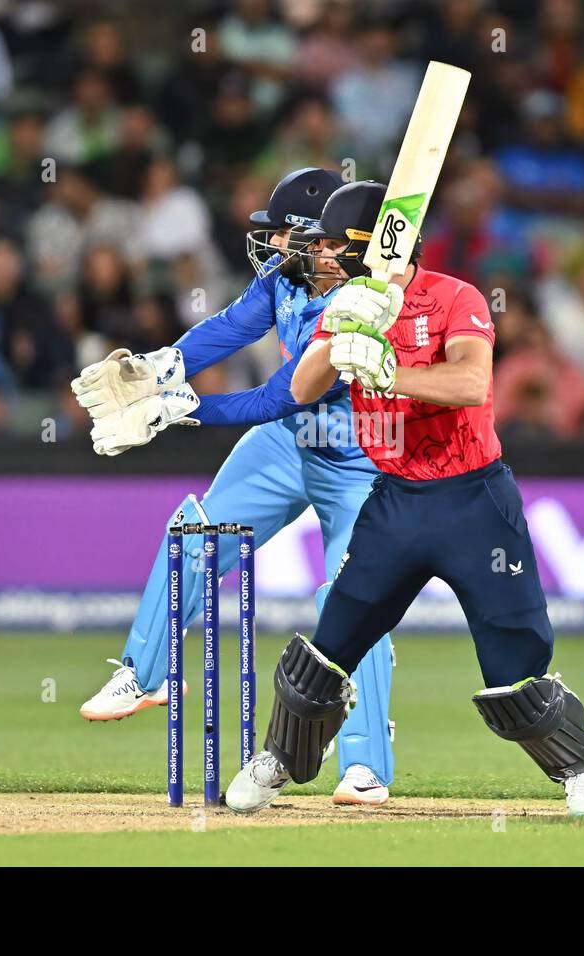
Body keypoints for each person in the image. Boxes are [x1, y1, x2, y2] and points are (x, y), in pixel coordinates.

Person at [221, 180, 584, 815]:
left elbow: (470, 381)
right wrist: (339, 337)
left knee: (514, 669)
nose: (316, 256)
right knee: (326, 651)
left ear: (361, 244)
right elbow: (299, 388)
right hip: (394, 501)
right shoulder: (347, 301)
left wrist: (386, 370)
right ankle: (279, 763)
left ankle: (579, 772)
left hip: (473, 503)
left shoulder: (453, 296)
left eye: (326, 245)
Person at [70, 169, 397, 806]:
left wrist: (180, 409)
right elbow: (229, 328)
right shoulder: (284, 278)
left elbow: (280, 396)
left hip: (361, 461)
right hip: (289, 446)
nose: (275, 246)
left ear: (325, 238)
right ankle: (146, 671)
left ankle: (364, 763)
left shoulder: (360, 303)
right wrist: (161, 366)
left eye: (286, 235)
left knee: (354, 597)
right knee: (194, 534)